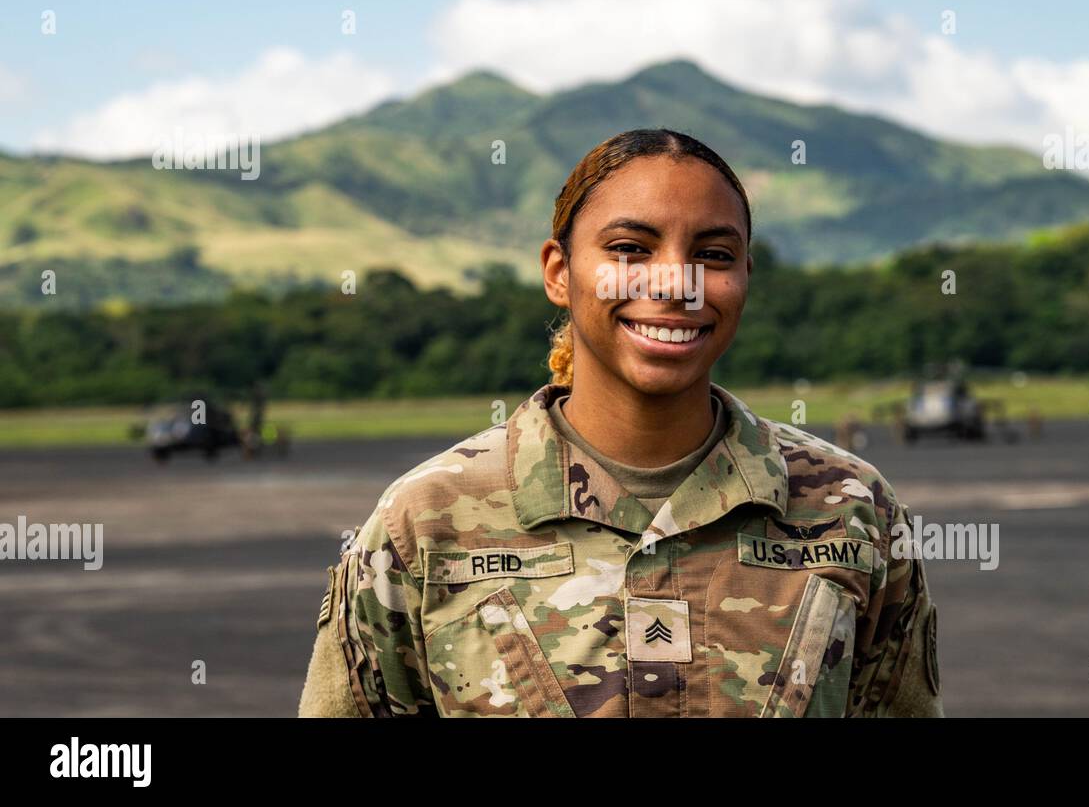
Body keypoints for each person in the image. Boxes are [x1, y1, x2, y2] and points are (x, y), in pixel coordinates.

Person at [298, 128, 944, 717]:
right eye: (630, 248)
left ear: (746, 276)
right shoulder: (425, 522)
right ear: (559, 271)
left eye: (714, 255)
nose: (677, 283)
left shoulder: (851, 510)